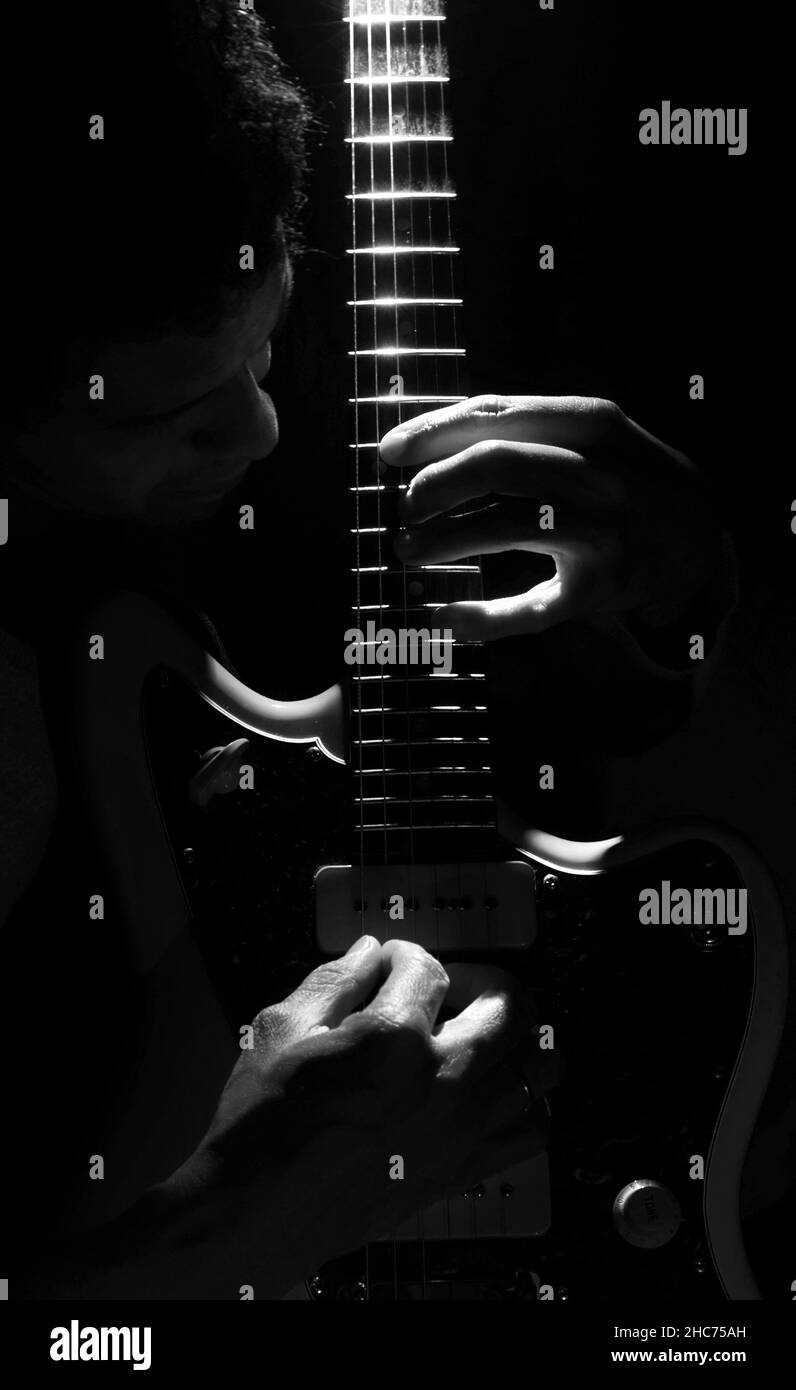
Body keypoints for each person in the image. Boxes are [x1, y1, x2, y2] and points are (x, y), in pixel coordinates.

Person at [2, 1, 784, 1301]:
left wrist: (691, 578)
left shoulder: (236, 211)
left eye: (268, 340)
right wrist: (213, 1230)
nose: (260, 426)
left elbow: (663, 738)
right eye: (180, 416)